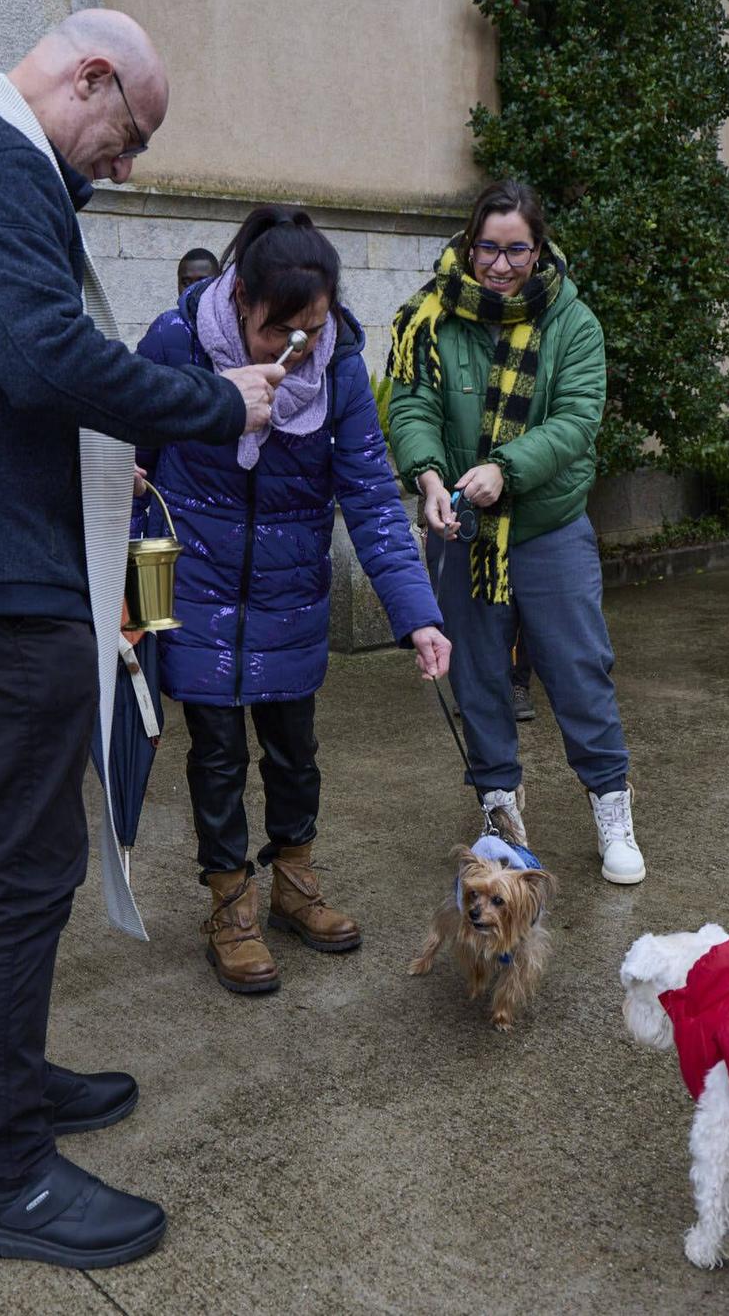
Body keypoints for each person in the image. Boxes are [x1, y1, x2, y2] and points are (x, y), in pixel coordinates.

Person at [0, 10, 283, 1270]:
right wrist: (214, 399)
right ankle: (5, 1177)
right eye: (128, 134)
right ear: (88, 76)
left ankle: (11, 1083)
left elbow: (12, 364)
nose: (126, 165)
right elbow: (40, 358)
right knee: (17, 870)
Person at [135, 206, 448, 995]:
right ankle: (229, 903)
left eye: (312, 327)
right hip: (191, 585)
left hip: (289, 592)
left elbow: (374, 497)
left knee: (294, 753)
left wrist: (418, 615)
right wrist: (138, 611)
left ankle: (295, 883)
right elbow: (126, 475)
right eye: (282, 329)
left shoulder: (335, 364)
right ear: (239, 298)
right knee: (214, 755)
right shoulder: (175, 342)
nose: (297, 347)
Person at [386, 179, 646, 885]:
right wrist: (431, 478)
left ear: (539, 247)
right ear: (470, 244)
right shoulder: (428, 318)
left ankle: (611, 808)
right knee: (477, 678)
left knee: (577, 671)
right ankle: (499, 810)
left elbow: (576, 421)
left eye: (516, 250)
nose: (499, 265)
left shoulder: (573, 322)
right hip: (461, 528)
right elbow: (412, 406)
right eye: (487, 248)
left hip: (548, 524)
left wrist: (505, 468)